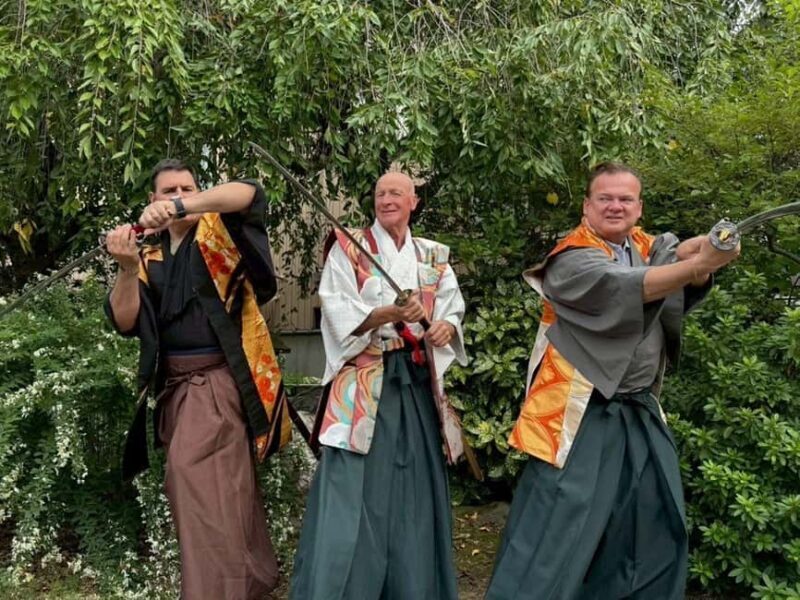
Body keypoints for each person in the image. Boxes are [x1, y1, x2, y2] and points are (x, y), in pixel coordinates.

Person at [486, 162, 740, 600]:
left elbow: (676, 252)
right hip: (576, 416)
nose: (615, 206)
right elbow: (629, 286)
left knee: (651, 524)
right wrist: (700, 262)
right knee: (554, 534)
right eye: (605, 198)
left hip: (638, 411)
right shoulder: (570, 259)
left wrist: (714, 243)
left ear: (639, 207)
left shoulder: (644, 245)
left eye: (625, 199)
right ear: (587, 206)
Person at [105, 159, 291, 600]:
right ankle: (249, 580)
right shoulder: (146, 253)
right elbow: (125, 320)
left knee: (198, 489)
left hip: (220, 385)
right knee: (222, 496)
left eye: (186, 187)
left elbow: (249, 191)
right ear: (151, 199)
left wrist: (184, 205)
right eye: (167, 190)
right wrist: (126, 268)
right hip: (175, 393)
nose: (177, 194)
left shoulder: (220, 232)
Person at [289, 171, 467, 600]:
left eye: (396, 193)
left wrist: (444, 327)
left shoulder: (433, 255)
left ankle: (414, 586)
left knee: (415, 491)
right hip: (364, 385)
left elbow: (450, 309)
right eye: (380, 193)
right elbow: (335, 309)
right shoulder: (349, 248)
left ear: (414, 202)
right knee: (355, 491)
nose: (387, 200)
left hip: (416, 384)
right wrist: (387, 314)